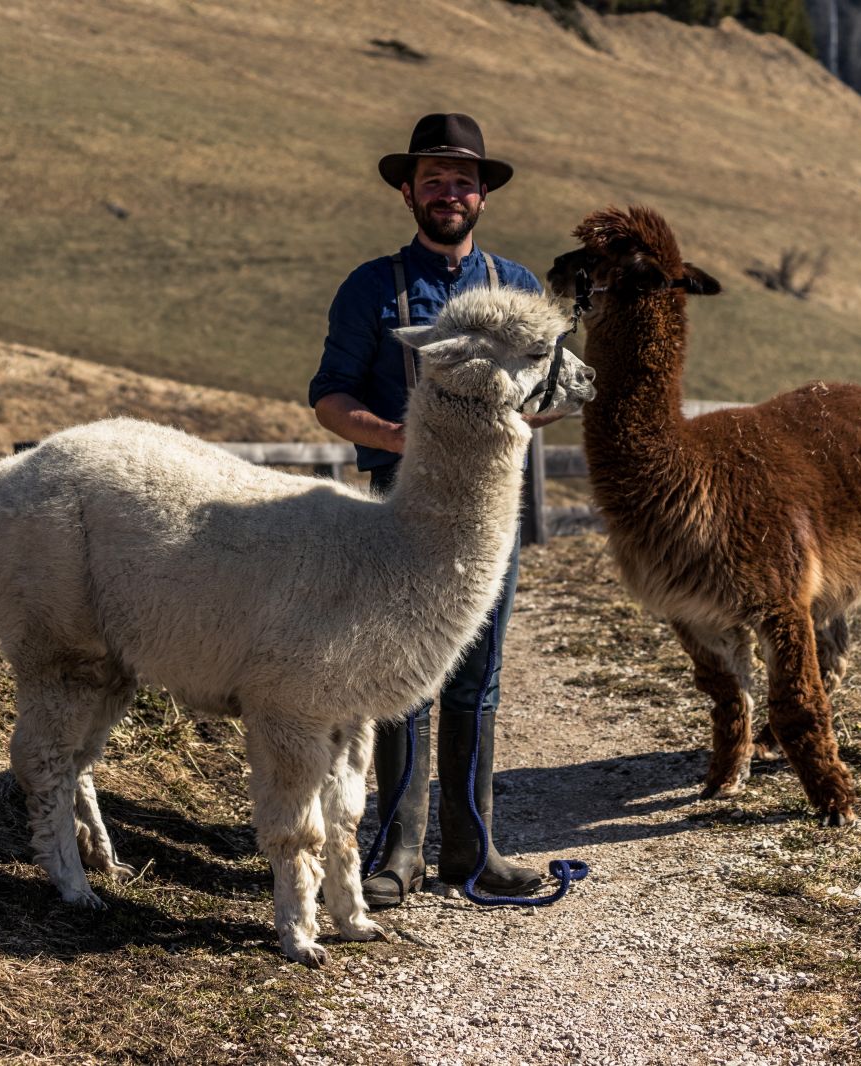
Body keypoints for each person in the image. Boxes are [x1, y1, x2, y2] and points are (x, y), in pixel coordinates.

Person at [308, 112, 559, 907]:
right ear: (409, 192)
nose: (449, 193)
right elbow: (330, 395)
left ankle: (473, 850)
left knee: (477, 678)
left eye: (463, 180)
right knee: (402, 675)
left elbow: (550, 392)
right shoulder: (370, 287)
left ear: (482, 195)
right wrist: (402, 435)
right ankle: (398, 850)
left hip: (487, 511)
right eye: (434, 180)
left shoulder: (518, 288)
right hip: (401, 507)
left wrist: (505, 423)